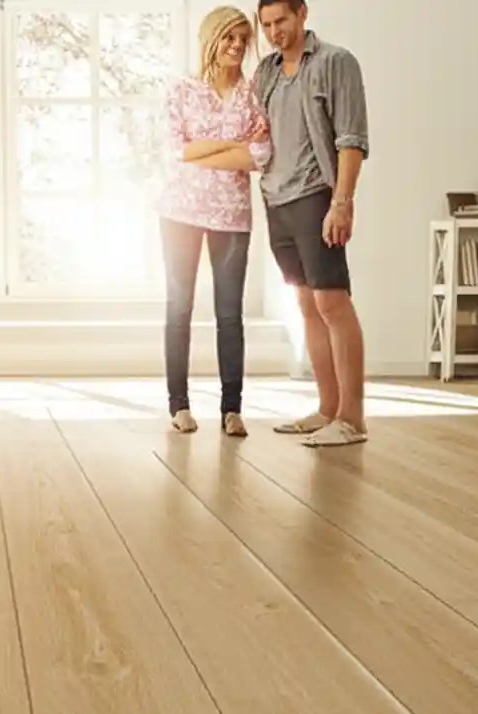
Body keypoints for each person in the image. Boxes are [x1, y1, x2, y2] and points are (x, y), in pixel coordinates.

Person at [254, 0, 369, 446]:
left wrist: (342, 201)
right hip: (276, 200)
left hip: (315, 196)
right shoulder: (264, 73)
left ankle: (352, 419)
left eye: (281, 20)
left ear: (303, 13)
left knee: (332, 303)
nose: (274, 32)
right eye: (265, 25)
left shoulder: (336, 63)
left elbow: (352, 138)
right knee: (305, 305)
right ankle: (327, 409)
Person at [156, 6, 272, 437]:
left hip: (232, 216)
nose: (237, 46)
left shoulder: (252, 94)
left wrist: (204, 148)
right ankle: (179, 405)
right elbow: (176, 150)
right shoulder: (182, 90)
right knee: (179, 308)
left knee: (229, 313)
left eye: (243, 39)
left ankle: (231, 408)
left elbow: (259, 155)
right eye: (229, 38)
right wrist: (229, 144)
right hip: (180, 212)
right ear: (211, 39)